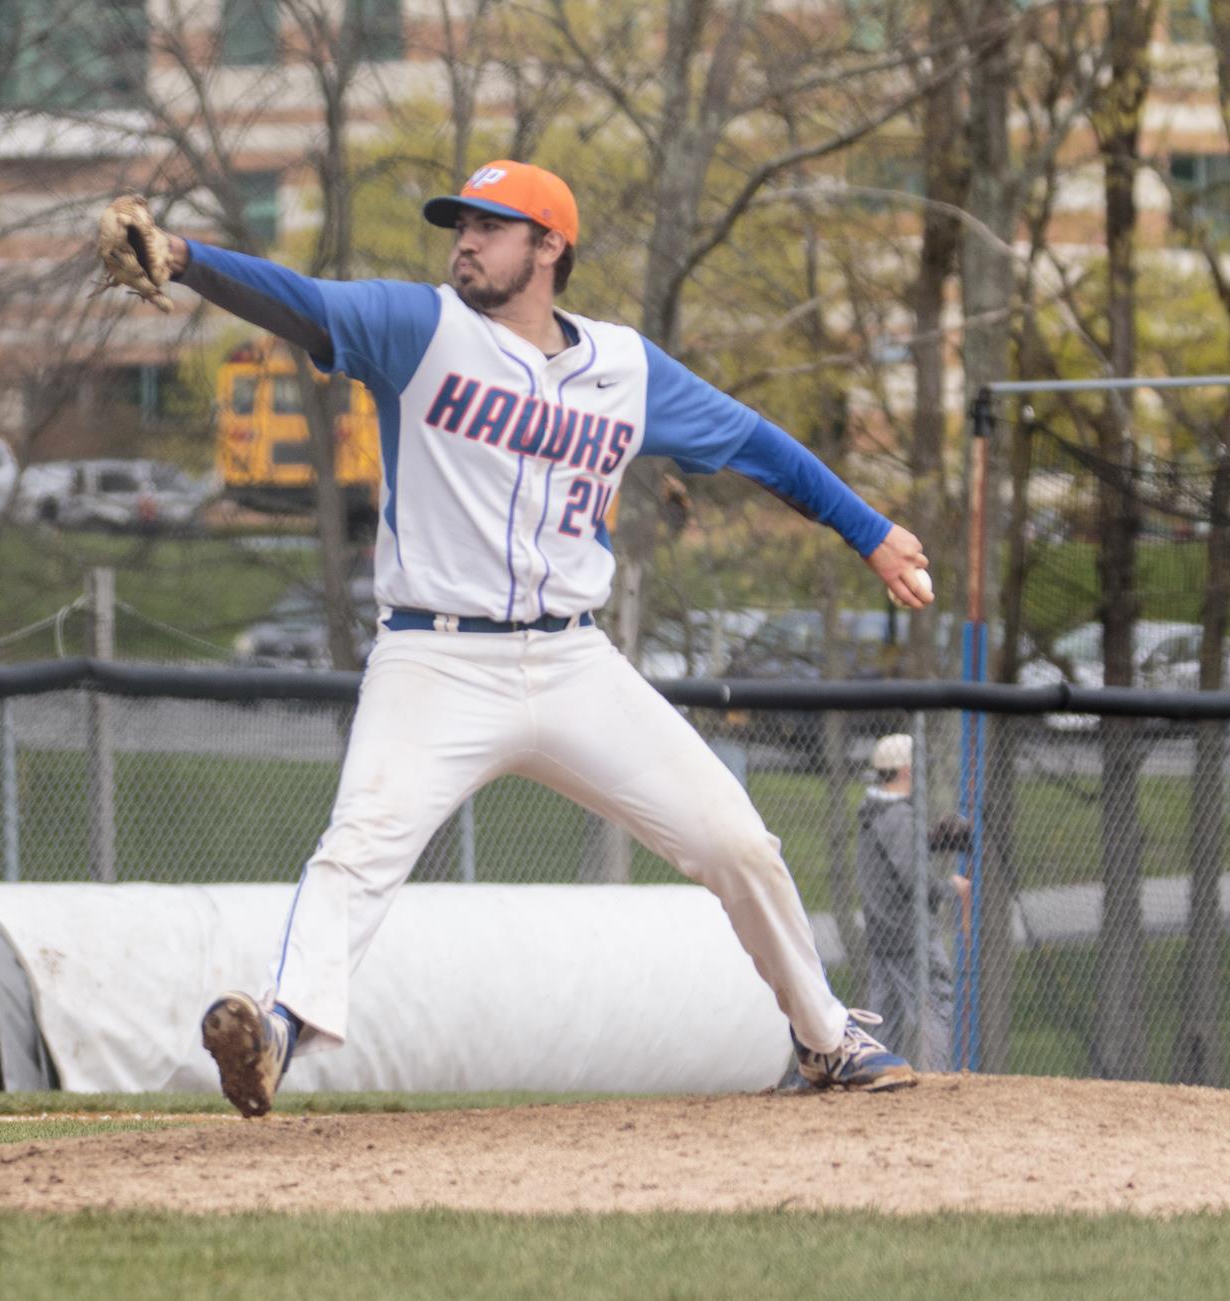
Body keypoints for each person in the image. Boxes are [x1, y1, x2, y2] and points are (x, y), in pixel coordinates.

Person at [96, 161, 934, 1117]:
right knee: (359, 844)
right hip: (435, 659)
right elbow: (301, 300)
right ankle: (280, 1029)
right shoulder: (420, 329)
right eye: (461, 224)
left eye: (490, 226)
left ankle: (825, 1036)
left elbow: (756, 445)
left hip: (575, 662)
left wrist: (868, 530)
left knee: (737, 839)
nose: (466, 240)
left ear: (549, 246)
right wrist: (183, 256)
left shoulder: (624, 368)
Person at [856, 733, 971, 1073]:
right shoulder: (900, 818)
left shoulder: (874, 812)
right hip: (909, 935)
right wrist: (951, 887)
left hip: (883, 933)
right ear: (906, 770)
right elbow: (915, 882)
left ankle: (877, 1073)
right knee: (935, 1003)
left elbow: (896, 860)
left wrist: (932, 841)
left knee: (884, 1015)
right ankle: (936, 1078)